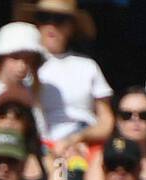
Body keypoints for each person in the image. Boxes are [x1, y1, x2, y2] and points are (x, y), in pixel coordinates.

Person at [23, 0, 113, 154]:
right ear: (36, 24)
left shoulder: (88, 66)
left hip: (85, 145)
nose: (51, 25)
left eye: (59, 19)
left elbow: (106, 120)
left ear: (71, 27)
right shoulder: (24, 65)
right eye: (44, 17)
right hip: (40, 148)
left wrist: (78, 138)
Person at [0, 22, 47, 114]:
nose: (22, 66)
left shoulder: (31, 96)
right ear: (0, 58)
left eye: (28, 60)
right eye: (15, 57)